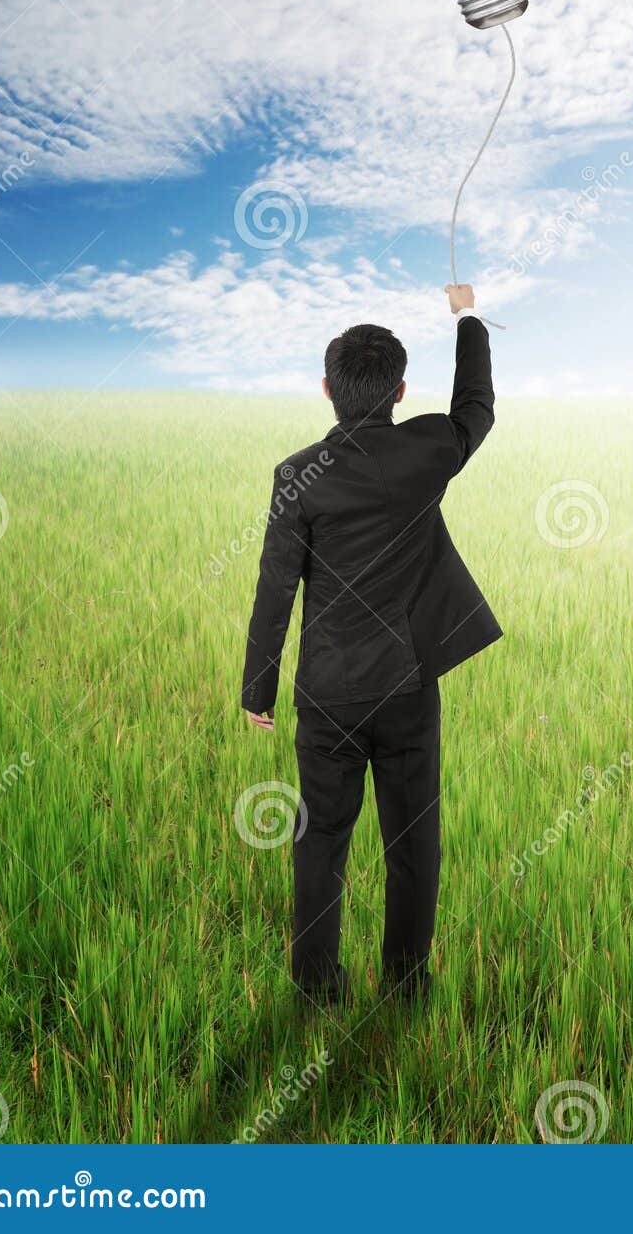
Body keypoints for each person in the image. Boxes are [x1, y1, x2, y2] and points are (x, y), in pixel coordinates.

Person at [240, 283, 498, 1003]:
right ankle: (406, 985)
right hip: (407, 687)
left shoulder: (298, 476)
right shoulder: (426, 451)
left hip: (328, 693)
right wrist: (467, 316)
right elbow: (475, 409)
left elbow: (275, 587)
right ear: (400, 391)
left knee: (320, 839)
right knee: (413, 843)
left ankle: (317, 987)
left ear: (328, 390)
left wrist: (259, 687)